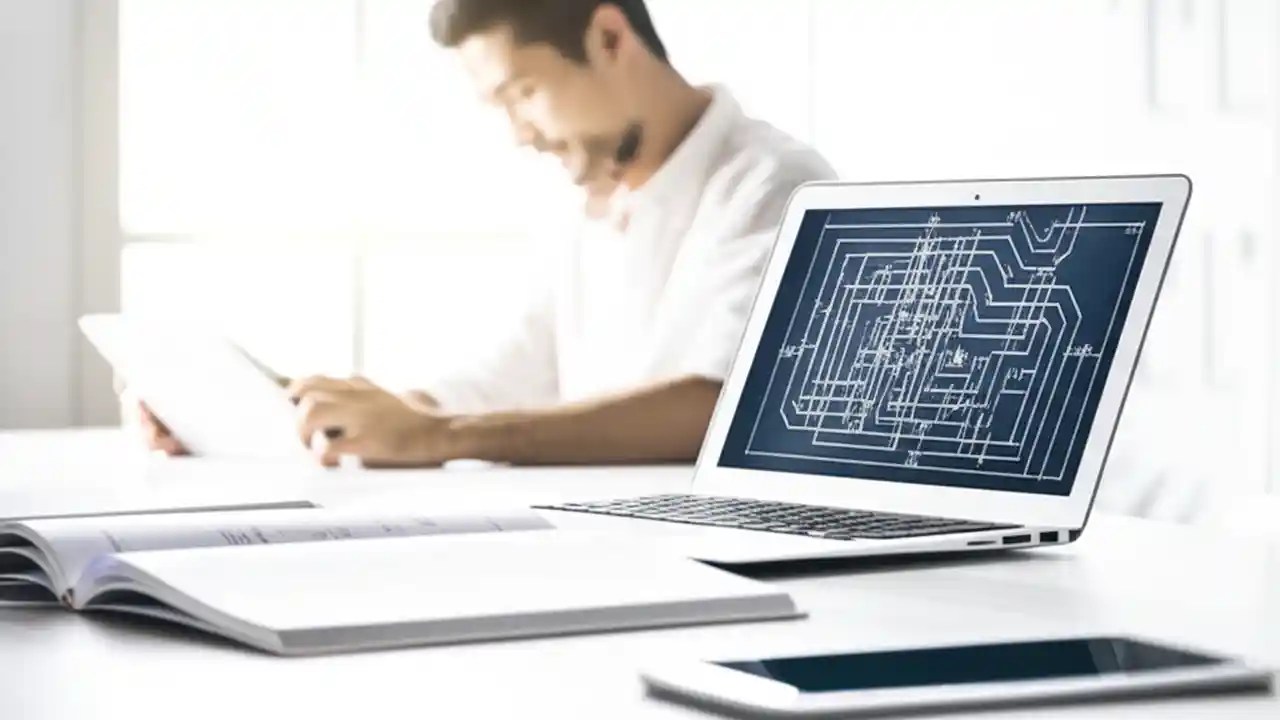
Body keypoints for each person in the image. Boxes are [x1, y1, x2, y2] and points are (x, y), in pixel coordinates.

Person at [132, 0, 835, 467]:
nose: (520, 135)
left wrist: (438, 438)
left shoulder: (775, 184)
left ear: (609, 36)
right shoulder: (594, 205)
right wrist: (311, 412)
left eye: (523, 93)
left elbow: (721, 404)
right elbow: (507, 376)